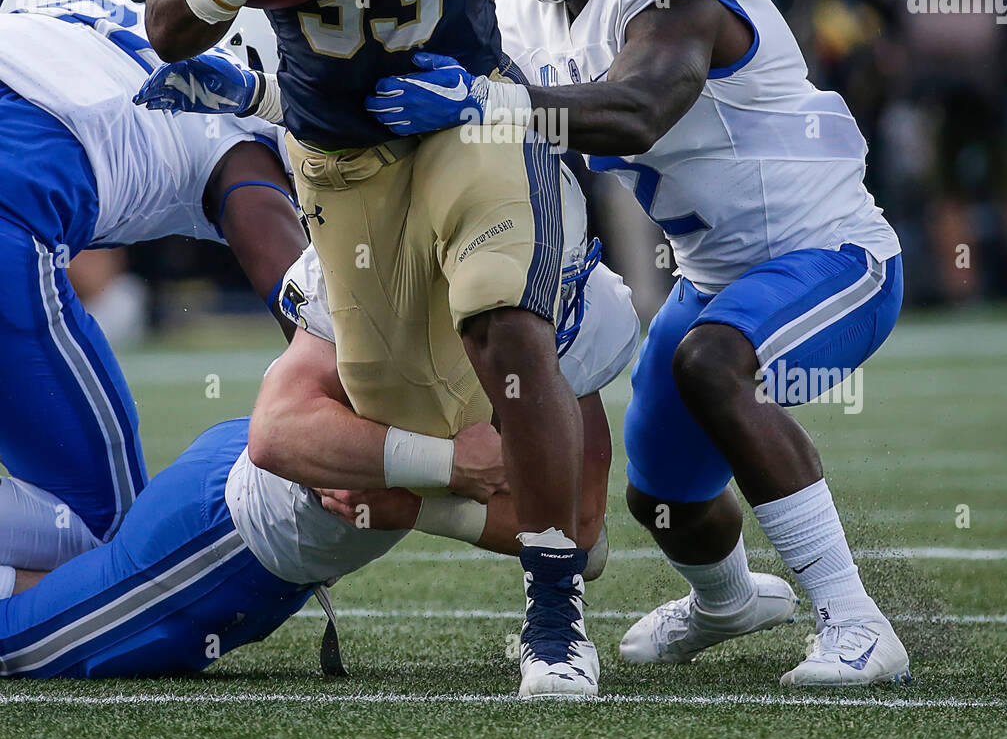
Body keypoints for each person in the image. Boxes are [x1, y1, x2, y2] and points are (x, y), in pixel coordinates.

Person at [142, 0, 600, 698]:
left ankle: (553, 617)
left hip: (464, 112)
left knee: (502, 315)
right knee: (398, 405)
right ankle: (546, 506)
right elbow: (166, 21)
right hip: (337, 156)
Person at [364, 0, 911, 689]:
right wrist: (265, 94)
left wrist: (482, 105)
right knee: (662, 499)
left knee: (708, 364)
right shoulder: (531, 9)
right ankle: (729, 603)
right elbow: (432, 90)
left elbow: (636, 108)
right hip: (715, 276)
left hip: (832, 256)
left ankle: (856, 621)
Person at [0, 213, 638, 678]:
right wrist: (444, 467)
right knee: (20, 646)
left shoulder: (579, 297)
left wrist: (427, 509)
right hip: (224, 537)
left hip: (255, 533)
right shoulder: (383, 246)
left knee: (73, 589)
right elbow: (279, 434)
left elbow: (581, 536)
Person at [0, 0, 305, 564]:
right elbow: (311, 316)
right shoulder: (241, 138)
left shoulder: (103, 7)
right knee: (96, 530)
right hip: (14, 192)